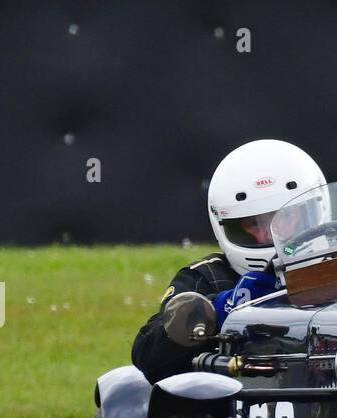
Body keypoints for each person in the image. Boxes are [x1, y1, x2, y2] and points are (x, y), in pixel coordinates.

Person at [131, 140, 326, 383]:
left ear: (315, 210)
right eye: (253, 224)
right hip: (238, 409)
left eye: (285, 217)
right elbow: (146, 355)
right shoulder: (206, 277)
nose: (269, 235)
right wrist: (220, 309)